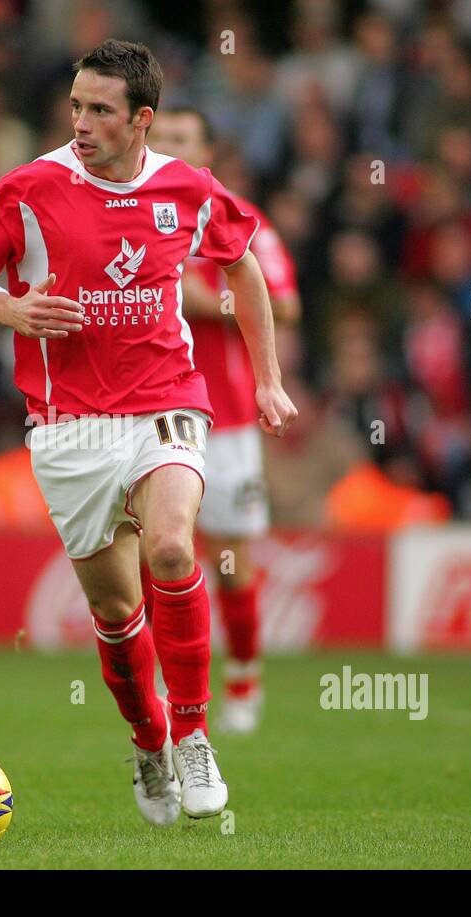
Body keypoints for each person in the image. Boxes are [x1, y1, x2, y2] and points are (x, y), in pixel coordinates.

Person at [0, 40, 297, 824]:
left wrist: (267, 378)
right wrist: (8, 309)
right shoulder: (30, 187)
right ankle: (149, 737)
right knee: (112, 612)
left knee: (172, 546)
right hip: (69, 427)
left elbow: (245, 267)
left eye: (100, 110)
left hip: (168, 400)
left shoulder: (186, 188)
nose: (82, 123)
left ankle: (196, 732)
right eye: (75, 106)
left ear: (143, 121)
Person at [147, 106, 300, 734]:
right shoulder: (125, 208)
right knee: (157, 553)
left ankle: (243, 680)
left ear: (207, 151)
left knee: (231, 561)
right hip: (151, 412)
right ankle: (169, 684)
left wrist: (204, 300)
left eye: (185, 140)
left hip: (228, 418)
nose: (172, 149)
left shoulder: (237, 220)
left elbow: (285, 306)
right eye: (163, 139)